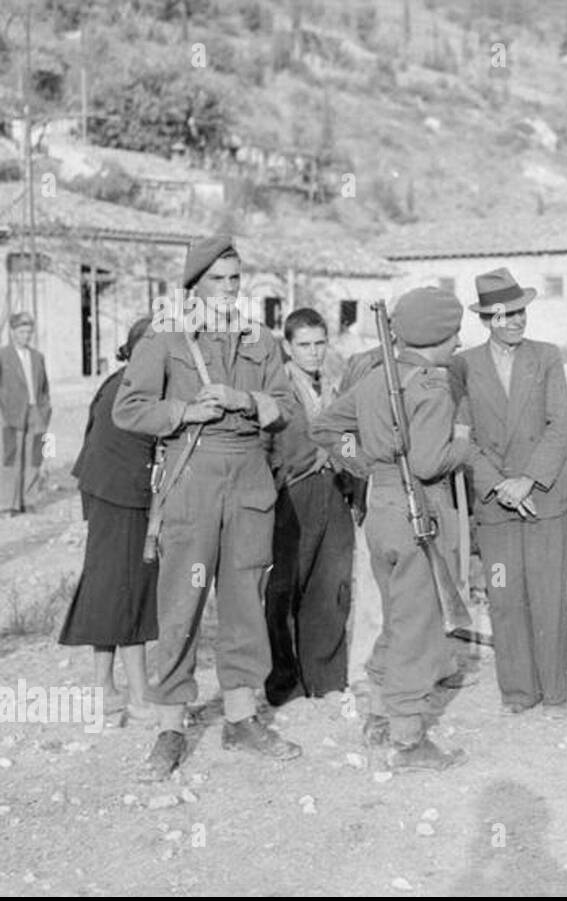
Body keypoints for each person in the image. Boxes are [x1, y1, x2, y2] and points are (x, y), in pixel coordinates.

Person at [113, 234, 301, 781]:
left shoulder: (261, 341)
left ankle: (242, 718)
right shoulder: (165, 339)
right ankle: (170, 727)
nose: (228, 289)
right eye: (217, 279)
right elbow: (129, 408)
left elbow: (287, 407)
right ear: (193, 286)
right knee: (181, 603)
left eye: (235, 278)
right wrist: (185, 411)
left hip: (248, 477)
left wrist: (246, 401)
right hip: (192, 476)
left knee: (246, 599)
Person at [311, 287, 471, 769]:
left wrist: (362, 463)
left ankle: (378, 712)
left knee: (397, 617)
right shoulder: (433, 387)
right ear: (436, 338)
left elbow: (323, 429)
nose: (460, 343)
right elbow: (427, 463)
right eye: (454, 334)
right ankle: (407, 738)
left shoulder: (376, 379)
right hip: (420, 511)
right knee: (417, 628)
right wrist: (464, 442)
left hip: (380, 512)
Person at [455, 267, 567, 717]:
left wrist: (528, 479)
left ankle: (555, 693)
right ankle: (518, 692)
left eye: (521, 311)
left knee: (547, 596)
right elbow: (462, 436)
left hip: (544, 498)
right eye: (506, 314)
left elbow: (561, 426)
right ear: (488, 319)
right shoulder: (464, 366)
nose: (517, 321)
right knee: (505, 597)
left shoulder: (546, 357)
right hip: (495, 503)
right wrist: (498, 485)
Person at [59, 317, 157, 725]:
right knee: (130, 588)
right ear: (140, 351)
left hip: (102, 491)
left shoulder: (117, 382)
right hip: (123, 495)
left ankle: (104, 687)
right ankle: (137, 695)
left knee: (106, 583)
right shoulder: (136, 391)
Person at [263, 307, 355, 705]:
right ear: (288, 346)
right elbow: (266, 447)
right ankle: (284, 682)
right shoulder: (276, 387)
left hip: (334, 490)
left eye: (320, 343)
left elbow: (352, 436)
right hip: (292, 495)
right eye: (305, 345)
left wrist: (347, 461)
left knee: (330, 586)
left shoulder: (336, 383)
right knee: (284, 589)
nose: (314, 353)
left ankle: (326, 678)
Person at [0, 312, 52, 515]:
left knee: (34, 457)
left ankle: (28, 500)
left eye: (28, 332)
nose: (25, 335)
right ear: (12, 332)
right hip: (10, 415)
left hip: (36, 414)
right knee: (11, 458)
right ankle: (8, 504)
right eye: (21, 331)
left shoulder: (38, 357)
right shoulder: (3, 356)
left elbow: (45, 389)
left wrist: (45, 411)